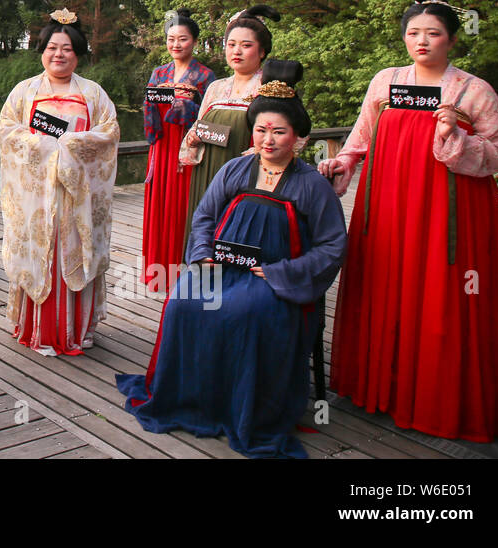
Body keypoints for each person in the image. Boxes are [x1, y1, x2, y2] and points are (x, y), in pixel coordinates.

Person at [118, 60, 347, 458]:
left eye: (279, 132)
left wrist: (281, 271)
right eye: (261, 130)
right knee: (184, 303)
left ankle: (243, 407)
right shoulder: (236, 168)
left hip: (273, 276)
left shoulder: (311, 185)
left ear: (297, 136)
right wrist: (203, 254)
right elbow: (205, 215)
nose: (268, 140)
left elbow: (331, 246)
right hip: (221, 268)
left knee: (246, 314)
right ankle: (195, 398)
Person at [320, 0, 498, 442]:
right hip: (387, 202)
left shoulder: (473, 91)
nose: (422, 41)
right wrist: (341, 162)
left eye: (434, 33)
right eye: (414, 33)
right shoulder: (385, 81)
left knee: (443, 292)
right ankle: (380, 388)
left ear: (452, 38)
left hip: (449, 210)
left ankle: (438, 397)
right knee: (387, 279)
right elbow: (361, 139)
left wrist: (457, 136)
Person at [0, 9, 119, 356]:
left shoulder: (93, 94)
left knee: (74, 248)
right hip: (37, 194)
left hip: (77, 195)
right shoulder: (24, 91)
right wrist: (42, 145)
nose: (58, 55)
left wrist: (74, 145)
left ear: (77, 53)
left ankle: (76, 331)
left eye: (66, 48)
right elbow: (7, 129)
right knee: (39, 248)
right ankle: (37, 328)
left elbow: (109, 134)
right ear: (42, 51)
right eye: (52, 48)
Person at [178, 4, 279, 247]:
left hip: (248, 175)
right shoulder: (216, 88)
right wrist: (193, 137)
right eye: (231, 45)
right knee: (205, 235)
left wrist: (259, 153)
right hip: (207, 173)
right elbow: (198, 125)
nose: (237, 51)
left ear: (262, 51)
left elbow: (293, 134)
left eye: (246, 45)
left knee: (237, 237)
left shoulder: (270, 87)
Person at [141, 9, 216, 289]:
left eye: (182, 39)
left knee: (184, 205)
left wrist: (186, 104)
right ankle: (158, 271)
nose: (176, 44)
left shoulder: (206, 76)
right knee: (160, 202)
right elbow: (148, 107)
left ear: (194, 41)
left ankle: (183, 270)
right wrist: (157, 98)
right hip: (162, 145)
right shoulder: (159, 72)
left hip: (188, 147)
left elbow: (211, 116)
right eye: (171, 39)